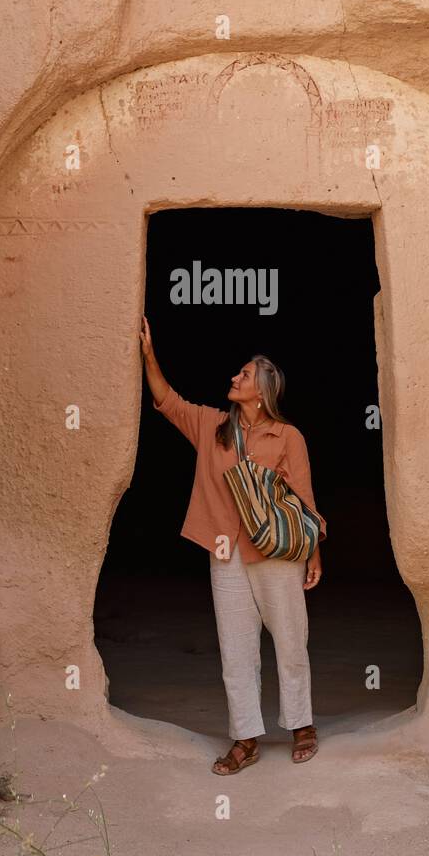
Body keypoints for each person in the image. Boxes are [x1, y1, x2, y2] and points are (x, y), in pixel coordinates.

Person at [139, 315, 326, 774]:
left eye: (242, 375)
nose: (233, 378)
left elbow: (304, 498)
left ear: (260, 392)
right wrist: (148, 354)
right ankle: (246, 739)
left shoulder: (288, 437)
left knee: (290, 641)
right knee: (236, 648)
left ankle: (301, 725)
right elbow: (167, 401)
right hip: (224, 552)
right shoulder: (212, 427)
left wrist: (314, 553)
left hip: (277, 554)